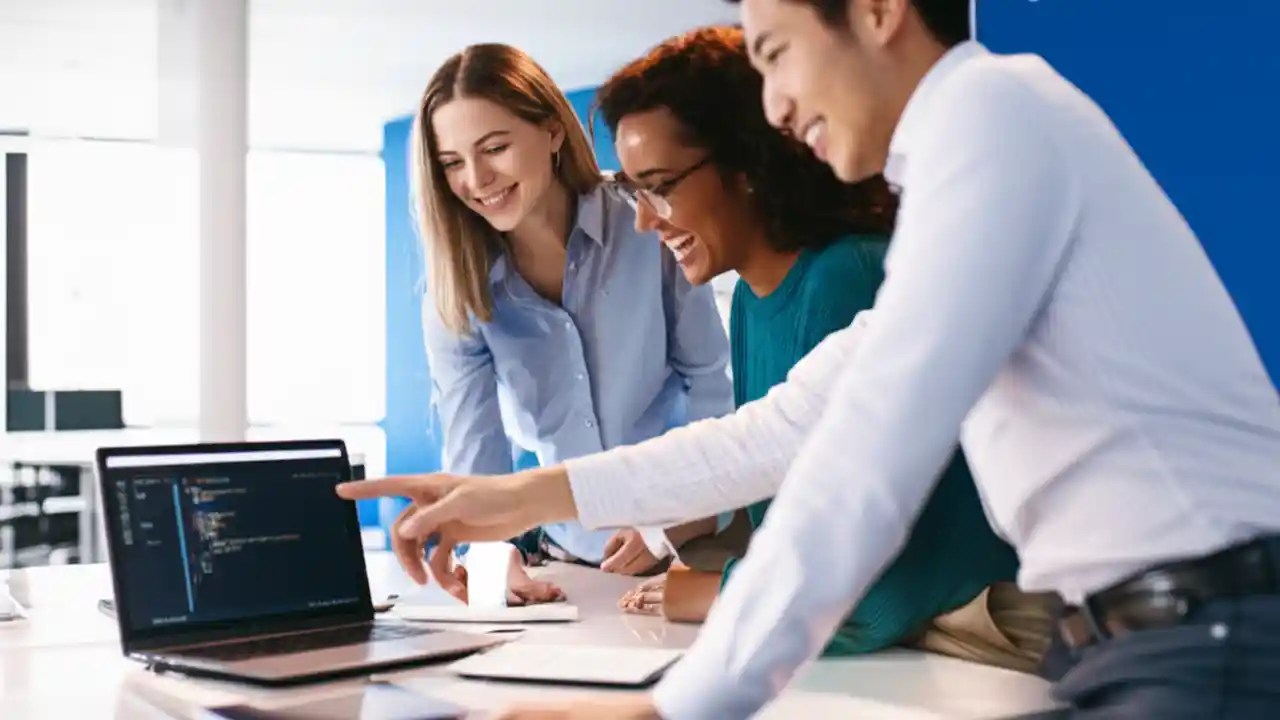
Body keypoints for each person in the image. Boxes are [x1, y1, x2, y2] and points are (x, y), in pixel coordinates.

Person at [342, 2, 1280, 718]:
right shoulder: (974, 162)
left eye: (777, 53)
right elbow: (786, 428)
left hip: (1210, 640)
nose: (777, 105)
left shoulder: (994, 118)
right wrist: (519, 499)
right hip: (1146, 640)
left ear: (876, 11)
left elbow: (866, 459)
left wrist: (676, 704)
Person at [598, 26, 1050, 671]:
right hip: (900, 643)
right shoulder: (754, 303)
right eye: (631, 190)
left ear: (745, 165)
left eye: (661, 184)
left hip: (977, 637)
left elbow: (868, 577)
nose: (646, 218)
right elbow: (789, 494)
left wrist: (714, 592)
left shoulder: (847, 276)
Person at [409, 42, 733, 602]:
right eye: (453, 163)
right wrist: (487, 558)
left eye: (495, 147)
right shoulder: (457, 288)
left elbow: (710, 382)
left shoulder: (646, 223)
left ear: (552, 131)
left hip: (689, 541)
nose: (478, 179)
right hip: (569, 560)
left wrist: (681, 513)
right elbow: (475, 452)